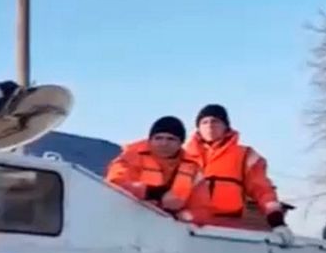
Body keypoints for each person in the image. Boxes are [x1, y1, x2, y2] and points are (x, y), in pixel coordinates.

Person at [183, 104, 293, 243]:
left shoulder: (244, 155)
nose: (210, 125)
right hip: (188, 228)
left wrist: (277, 221)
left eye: (216, 121)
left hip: (229, 229)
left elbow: (263, 191)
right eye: (205, 122)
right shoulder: (182, 157)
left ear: (226, 126)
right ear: (198, 128)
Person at [105, 116, 199, 220]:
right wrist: (152, 193)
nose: (164, 143)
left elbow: (201, 204)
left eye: (171, 139)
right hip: (128, 218)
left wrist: (187, 214)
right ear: (150, 140)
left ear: (181, 143)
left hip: (172, 226)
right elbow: (114, 183)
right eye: (158, 138)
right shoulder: (131, 156)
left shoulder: (193, 167)